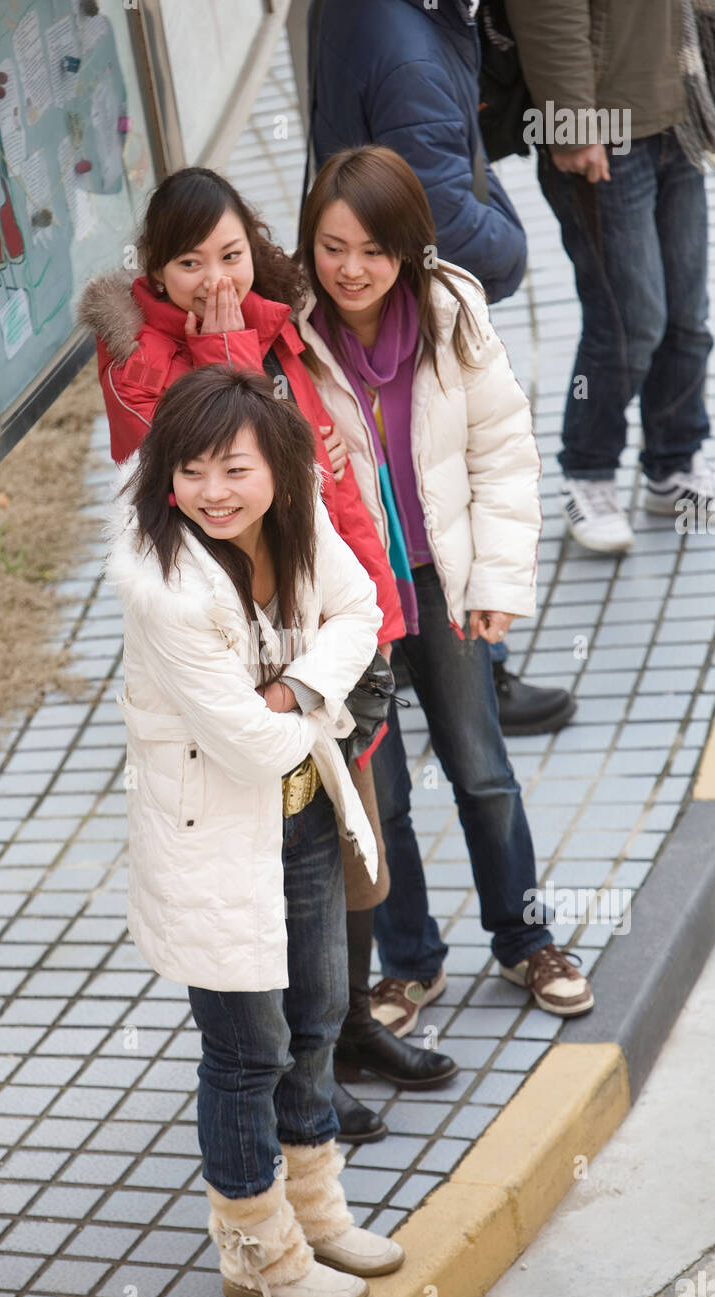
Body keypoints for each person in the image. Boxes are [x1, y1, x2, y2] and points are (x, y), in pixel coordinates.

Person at [79, 167, 458, 1145]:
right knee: (290, 874)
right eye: (189, 260)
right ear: (155, 272)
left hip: (335, 608)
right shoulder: (142, 352)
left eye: (230, 253)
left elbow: (323, 453)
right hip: (257, 658)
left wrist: (371, 598)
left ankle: (350, 1030)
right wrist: (214, 342)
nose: (213, 275)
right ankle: (304, 1084)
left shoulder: (283, 313)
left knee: (357, 847)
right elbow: (185, 455)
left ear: (253, 245)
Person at [104, 364, 408, 1297]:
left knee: (316, 1019)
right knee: (245, 1054)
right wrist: (317, 708)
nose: (212, 494)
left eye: (233, 470)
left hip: (306, 813)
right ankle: (260, 1259)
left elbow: (362, 609)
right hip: (214, 839)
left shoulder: (301, 511)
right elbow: (244, 749)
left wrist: (292, 692)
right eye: (189, 472)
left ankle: (315, 1214)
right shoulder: (163, 584)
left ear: (275, 463)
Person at [295, 144, 595, 1045]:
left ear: (410, 250)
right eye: (333, 246)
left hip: (446, 578)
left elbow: (502, 452)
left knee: (482, 768)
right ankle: (410, 960)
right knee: (377, 796)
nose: (351, 269)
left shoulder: (452, 310)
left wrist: (498, 581)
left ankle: (525, 937)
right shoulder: (294, 333)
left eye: (374, 250)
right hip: (353, 599)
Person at [307, 0, 576, 737]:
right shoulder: (412, 54)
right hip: (403, 307)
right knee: (432, 476)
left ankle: (450, 669)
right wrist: (515, 248)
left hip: (375, 294)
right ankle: (471, 675)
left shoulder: (370, 15)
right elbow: (446, 220)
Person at [503, 0, 715, 552]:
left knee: (688, 312)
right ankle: (588, 472)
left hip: (678, 114)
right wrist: (571, 124)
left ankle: (673, 460)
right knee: (629, 322)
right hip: (603, 130)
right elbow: (548, 12)